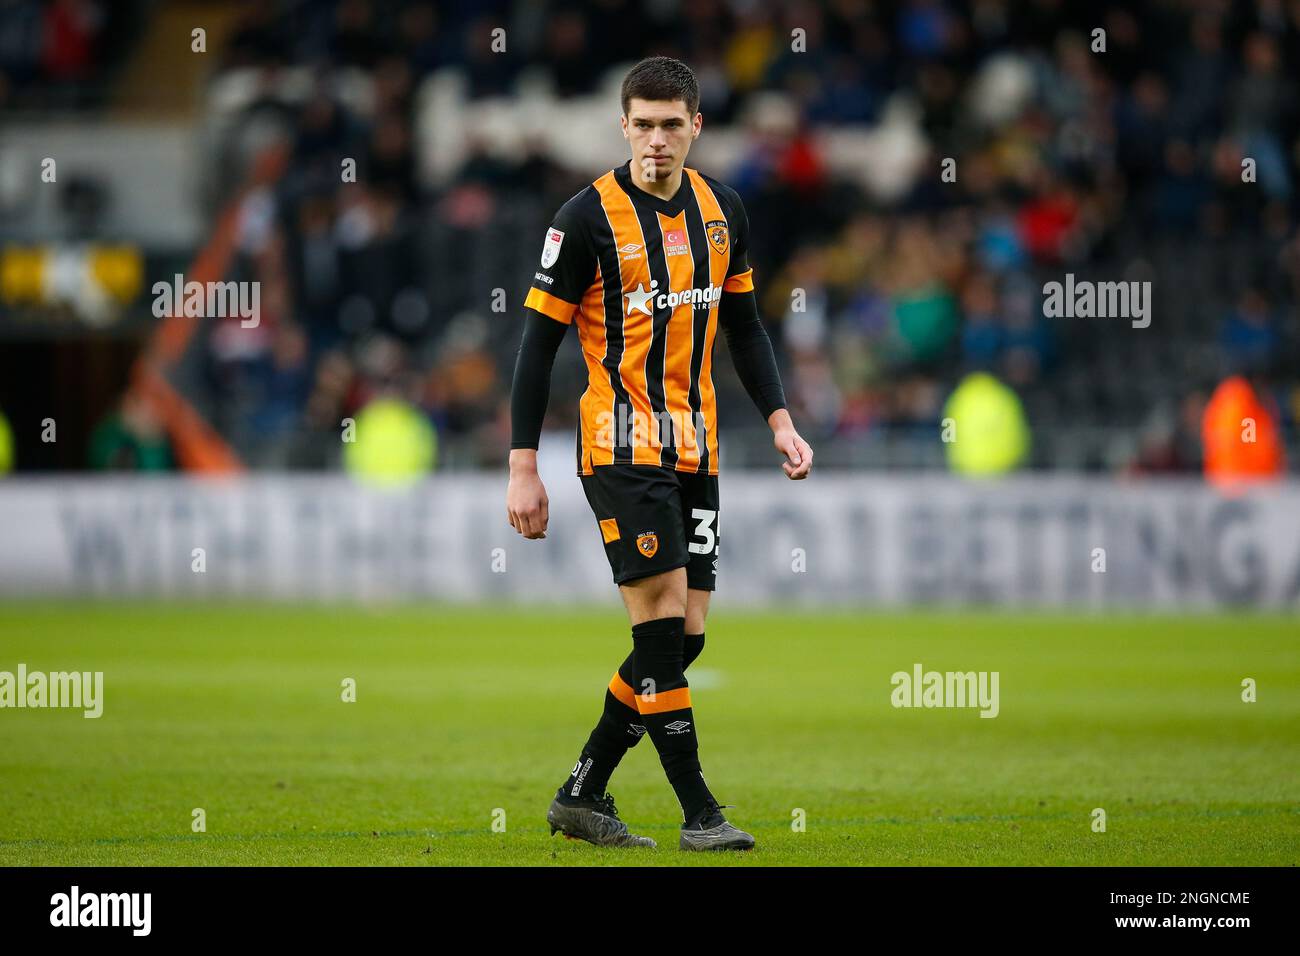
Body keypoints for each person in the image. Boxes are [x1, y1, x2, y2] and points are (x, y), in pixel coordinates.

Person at [506, 56, 813, 851]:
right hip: (619, 445)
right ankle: (700, 811)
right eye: (641, 124)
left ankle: (583, 791)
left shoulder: (724, 210)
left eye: (671, 124)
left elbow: (744, 325)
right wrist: (522, 465)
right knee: (659, 623)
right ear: (623, 127)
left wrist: (779, 419)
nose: (656, 140)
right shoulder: (585, 219)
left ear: (696, 127)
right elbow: (536, 349)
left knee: (687, 636)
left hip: (696, 448)